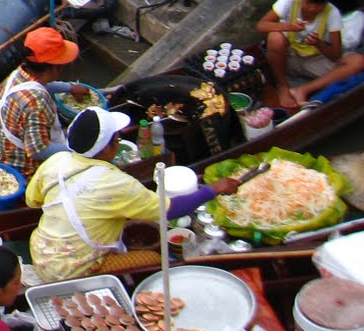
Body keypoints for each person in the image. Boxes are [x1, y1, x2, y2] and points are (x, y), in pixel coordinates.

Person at [29, 109, 245, 279]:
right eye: (116, 139)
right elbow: (169, 210)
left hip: (41, 251)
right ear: (106, 149)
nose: (118, 142)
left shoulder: (55, 162)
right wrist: (213, 189)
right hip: (69, 271)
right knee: (151, 258)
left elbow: (33, 201)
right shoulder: (116, 183)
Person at [0, 27, 83, 175]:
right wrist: (78, 149)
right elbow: (38, 151)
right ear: (55, 68)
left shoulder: (20, 73)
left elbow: (43, 85)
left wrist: (70, 88)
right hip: (13, 166)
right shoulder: (37, 102)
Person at [258, 0, 364, 109]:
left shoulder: (332, 14)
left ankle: (303, 90)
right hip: (289, 57)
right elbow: (261, 25)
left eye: (318, 4)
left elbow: (335, 55)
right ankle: (283, 86)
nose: (313, 8)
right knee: (275, 36)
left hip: (315, 60)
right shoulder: (290, 0)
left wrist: (319, 44)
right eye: (308, 2)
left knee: (358, 61)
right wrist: (289, 26)